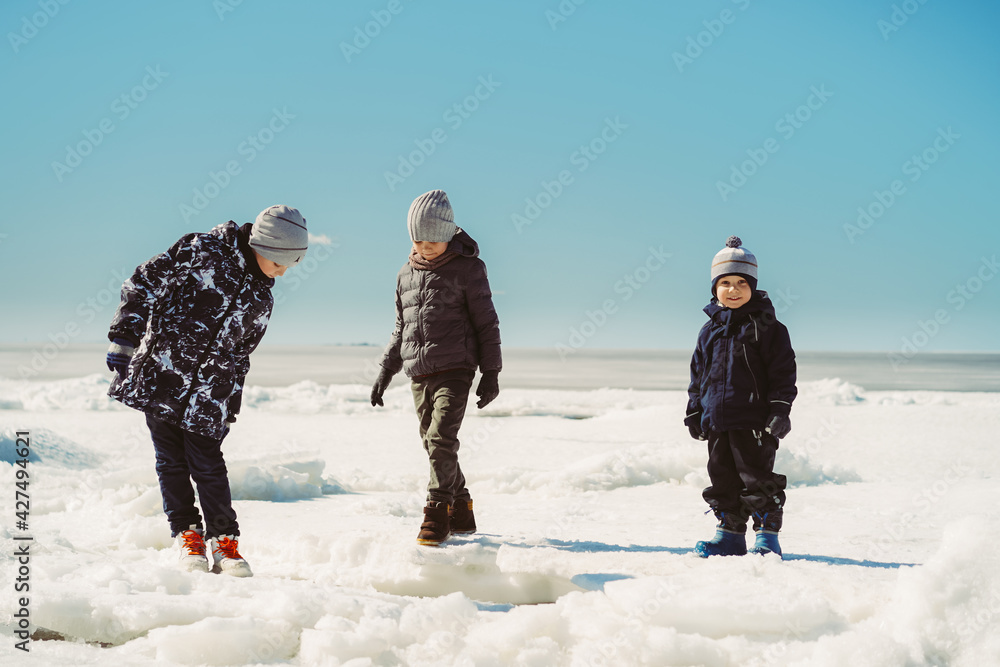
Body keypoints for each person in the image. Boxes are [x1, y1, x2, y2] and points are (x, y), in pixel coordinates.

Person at [106, 205, 309, 575]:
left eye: (289, 265)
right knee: (170, 461)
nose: (283, 271)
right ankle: (188, 535)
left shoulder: (262, 298)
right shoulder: (202, 251)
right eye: (280, 262)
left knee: (209, 466)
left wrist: (230, 404)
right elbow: (143, 284)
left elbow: (241, 356)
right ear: (262, 245)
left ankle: (224, 542)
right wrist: (124, 337)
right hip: (162, 376)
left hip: (208, 395)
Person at [370, 189, 502, 546]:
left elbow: (487, 323)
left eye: (432, 239)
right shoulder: (404, 274)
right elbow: (402, 329)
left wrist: (490, 373)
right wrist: (385, 371)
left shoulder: (468, 269)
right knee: (432, 443)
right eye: (417, 238)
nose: (425, 246)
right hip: (419, 373)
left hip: (456, 368)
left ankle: (436, 510)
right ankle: (461, 506)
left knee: (442, 440)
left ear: (447, 234)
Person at [684, 236, 797, 558]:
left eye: (741, 283)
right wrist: (695, 410)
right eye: (726, 283)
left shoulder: (769, 327)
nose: (733, 290)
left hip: (754, 421)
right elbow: (698, 375)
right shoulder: (709, 331)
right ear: (715, 288)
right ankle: (730, 535)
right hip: (717, 420)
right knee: (722, 480)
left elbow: (783, 372)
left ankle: (767, 537)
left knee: (758, 479)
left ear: (753, 286)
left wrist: (780, 408)